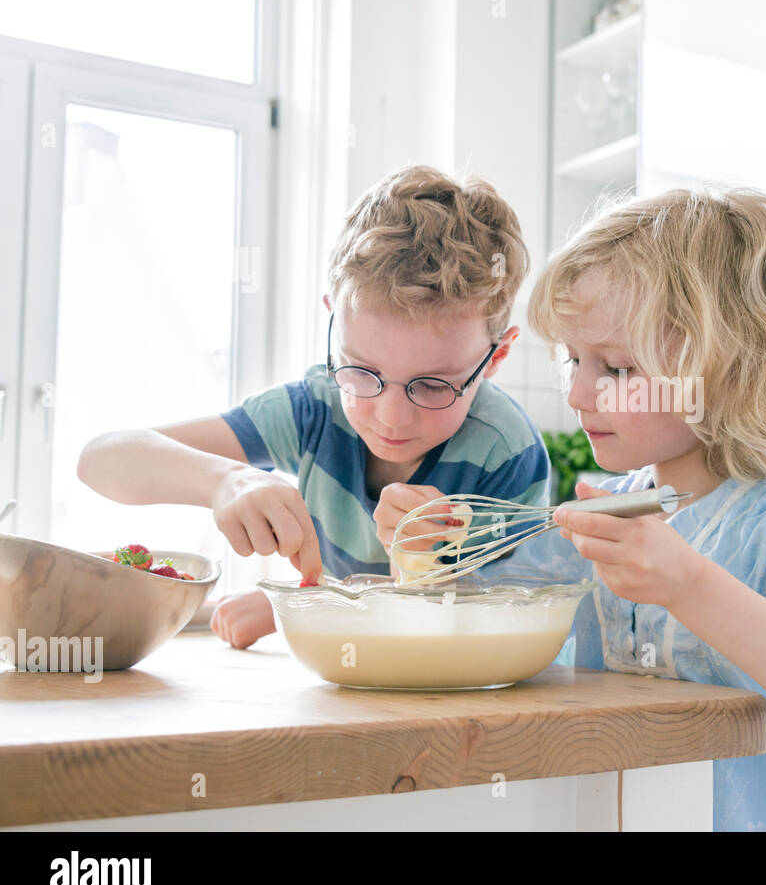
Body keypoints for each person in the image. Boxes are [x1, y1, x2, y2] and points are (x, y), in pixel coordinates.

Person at [484, 185, 766, 831]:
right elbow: (476, 601)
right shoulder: (612, 514)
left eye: (616, 367)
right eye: (573, 359)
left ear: (724, 371)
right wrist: (434, 536)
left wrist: (690, 585)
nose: (576, 391)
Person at [77, 165, 550, 649]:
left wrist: (420, 570)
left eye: (432, 386)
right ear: (334, 322)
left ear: (495, 357)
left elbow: (503, 633)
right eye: (362, 371)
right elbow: (101, 460)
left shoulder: (506, 453)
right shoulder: (314, 411)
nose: (390, 416)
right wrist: (225, 480)